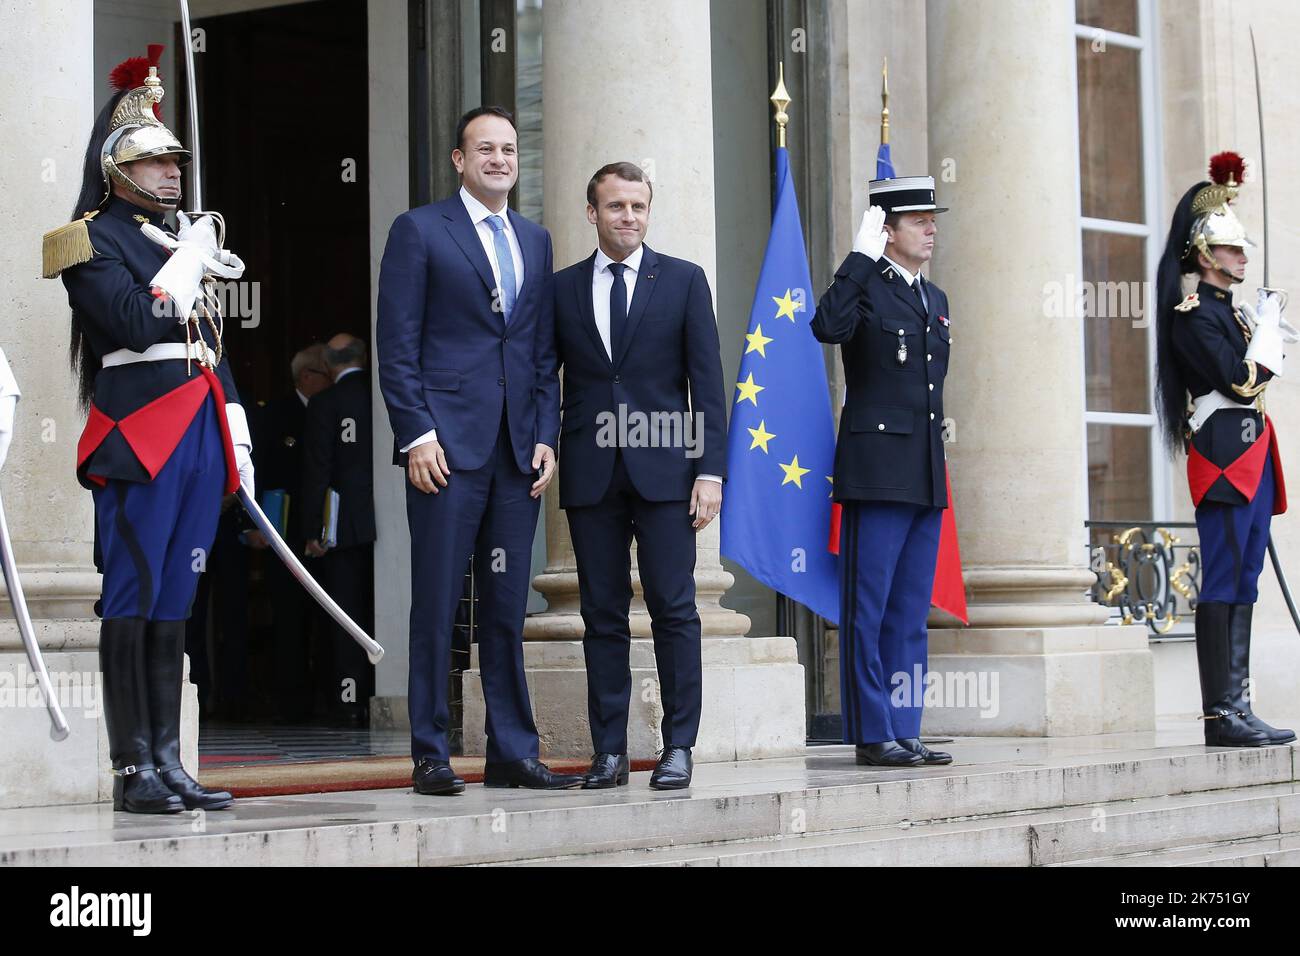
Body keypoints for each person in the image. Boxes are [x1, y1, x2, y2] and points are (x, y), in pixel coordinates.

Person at [43, 48, 249, 812]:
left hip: (197, 431)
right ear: (116, 170)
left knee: (176, 601)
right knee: (132, 595)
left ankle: (170, 762)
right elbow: (132, 320)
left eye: (174, 162)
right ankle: (132, 771)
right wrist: (188, 261)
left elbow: (208, 350)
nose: (173, 174)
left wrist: (239, 434)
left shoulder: (176, 241)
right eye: (156, 162)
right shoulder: (90, 240)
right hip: (139, 434)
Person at [376, 106, 581, 794]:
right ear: (459, 161)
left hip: (515, 452)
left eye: (509, 149)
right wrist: (416, 434)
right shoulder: (419, 230)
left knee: (504, 604)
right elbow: (397, 344)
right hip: (444, 449)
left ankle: (512, 753)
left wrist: (547, 434)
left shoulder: (536, 239)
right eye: (484, 149)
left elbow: (541, 351)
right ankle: (430, 751)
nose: (499, 158)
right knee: (437, 601)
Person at [551, 163, 727, 790]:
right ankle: (610, 751)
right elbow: (549, 380)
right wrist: (545, 446)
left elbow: (706, 384)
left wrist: (710, 471)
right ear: (591, 213)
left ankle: (678, 746)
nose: (628, 217)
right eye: (616, 206)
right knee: (601, 615)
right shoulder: (563, 289)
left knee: (675, 610)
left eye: (639, 207)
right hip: (592, 470)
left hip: (666, 469)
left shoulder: (682, 281)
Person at [810, 175, 955, 768]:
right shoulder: (864, 284)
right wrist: (857, 260)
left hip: (922, 469)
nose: (931, 227)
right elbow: (827, 327)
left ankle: (906, 726)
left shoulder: (934, 298)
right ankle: (873, 732)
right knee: (868, 608)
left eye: (931, 218)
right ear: (886, 229)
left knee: (910, 611)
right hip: (876, 470)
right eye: (918, 219)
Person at [1154, 150, 1296, 747]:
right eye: (1234, 249)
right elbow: (1238, 381)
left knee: (1246, 578)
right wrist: (1266, 334)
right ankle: (1220, 715)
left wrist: (1261, 331)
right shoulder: (1193, 318)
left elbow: (1257, 380)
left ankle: (1239, 704)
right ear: (1207, 255)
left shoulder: (1231, 315)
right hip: (1224, 461)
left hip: (1253, 455)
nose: (1243, 258)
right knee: (1224, 580)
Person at [250, 344, 331, 722]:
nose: (329, 379)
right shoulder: (278, 414)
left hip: (319, 534)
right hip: (281, 533)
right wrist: (254, 524)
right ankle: (289, 703)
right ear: (305, 376)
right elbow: (259, 469)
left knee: (324, 618)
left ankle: (324, 698)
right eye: (322, 372)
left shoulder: (326, 410)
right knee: (288, 620)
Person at [301, 333, 376, 728]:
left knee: (346, 618)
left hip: (342, 529)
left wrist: (312, 528)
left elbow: (318, 469)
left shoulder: (325, 402)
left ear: (328, 366)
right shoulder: (381, 394)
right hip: (392, 525)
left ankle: (350, 702)